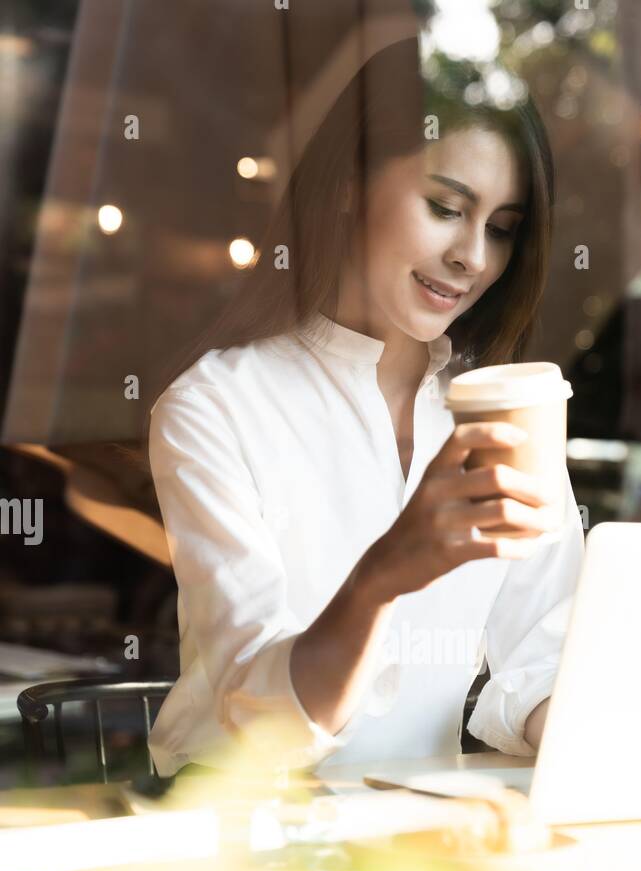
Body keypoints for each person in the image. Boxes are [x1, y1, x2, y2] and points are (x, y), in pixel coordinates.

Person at [145, 38, 585, 778]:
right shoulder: (213, 408)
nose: (473, 257)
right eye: (445, 207)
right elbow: (265, 723)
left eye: (503, 229)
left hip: (413, 847)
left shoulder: (495, 412)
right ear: (350, 183)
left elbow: (541, 664)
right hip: (236, 847)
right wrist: (385, 574)